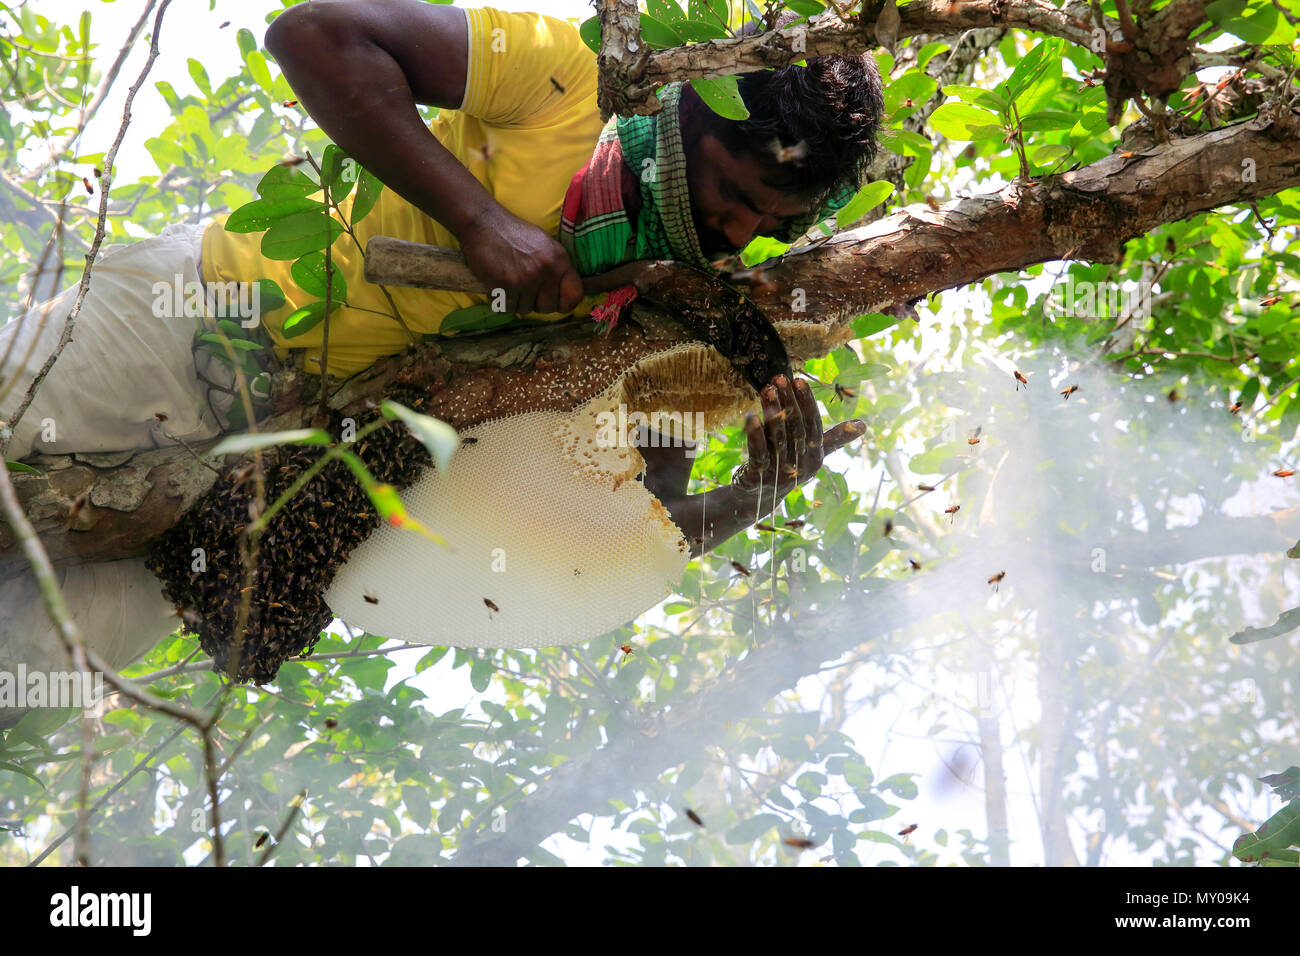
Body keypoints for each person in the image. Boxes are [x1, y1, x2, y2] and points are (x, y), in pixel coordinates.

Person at [0, 1, 883, 708]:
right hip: (185, 324)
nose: (737, 233)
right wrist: (480, 219)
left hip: (252, 496)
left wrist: (749, 498)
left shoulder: (668, 317)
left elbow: (632, 525)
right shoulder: (566, 77)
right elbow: (316, 35)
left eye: (773, 227)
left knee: (24, 671)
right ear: (699, 106)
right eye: (734, 192)